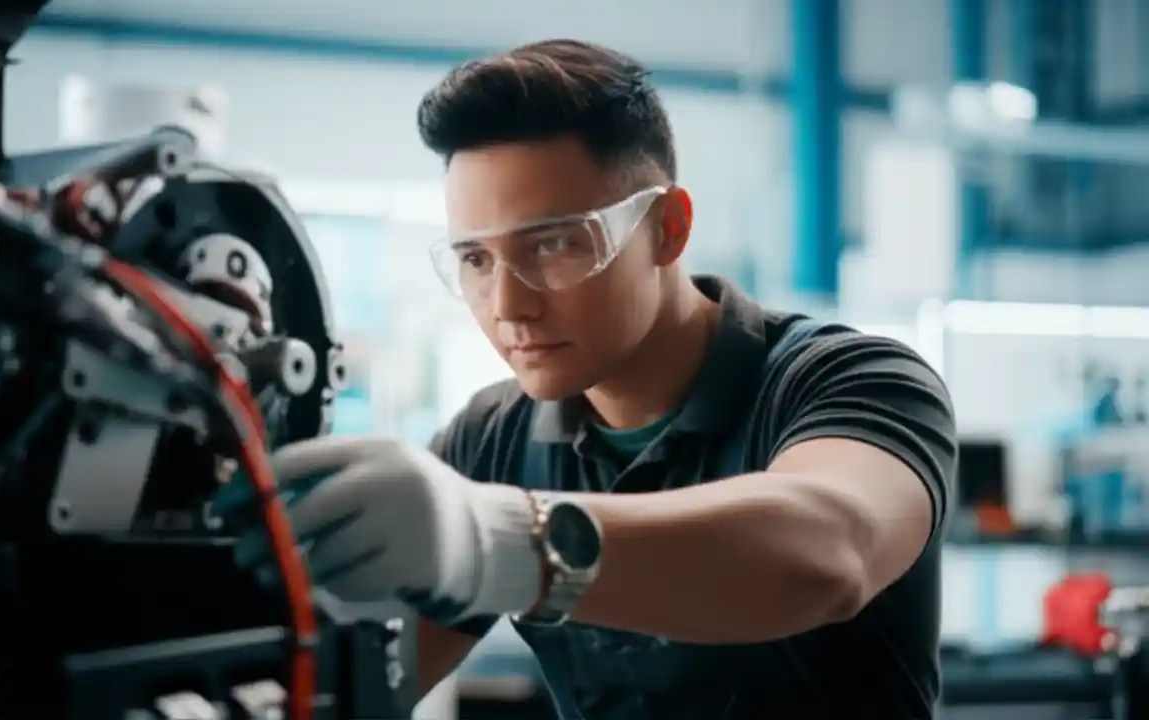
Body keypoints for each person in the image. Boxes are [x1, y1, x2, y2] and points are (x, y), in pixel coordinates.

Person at [216, 38, 956, 718]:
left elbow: (827, 552)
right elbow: (353, 681)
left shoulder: (850, 380)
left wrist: (500, 541)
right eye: (475, 259)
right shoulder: (494, 439)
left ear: (667, 228)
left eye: (555, 245)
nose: (508, 306)